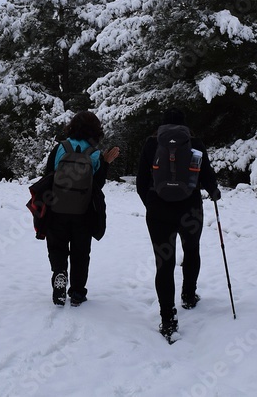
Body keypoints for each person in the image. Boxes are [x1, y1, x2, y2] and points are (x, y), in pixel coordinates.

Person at [137, 108, 221, 339]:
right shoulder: (195, 143)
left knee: (164, 263)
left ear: (162, 125)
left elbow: (141, 181)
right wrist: (213, 192)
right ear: (184, 125)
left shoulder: (151, 144)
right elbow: (207, 176)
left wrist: (151, 204)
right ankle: (189, 296)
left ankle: (167, 318)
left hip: (158, 211)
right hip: (190, 209)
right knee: (192, 250)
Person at [29, 110, 119, 307]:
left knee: (57, 247)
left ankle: (59, 273)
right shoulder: (94, 154)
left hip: (57, 209)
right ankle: (77, 293)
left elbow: (48, 176)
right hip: (83, 212)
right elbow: (97, 185)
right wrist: (104, 163)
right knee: (80, 253)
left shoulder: (60, 148)